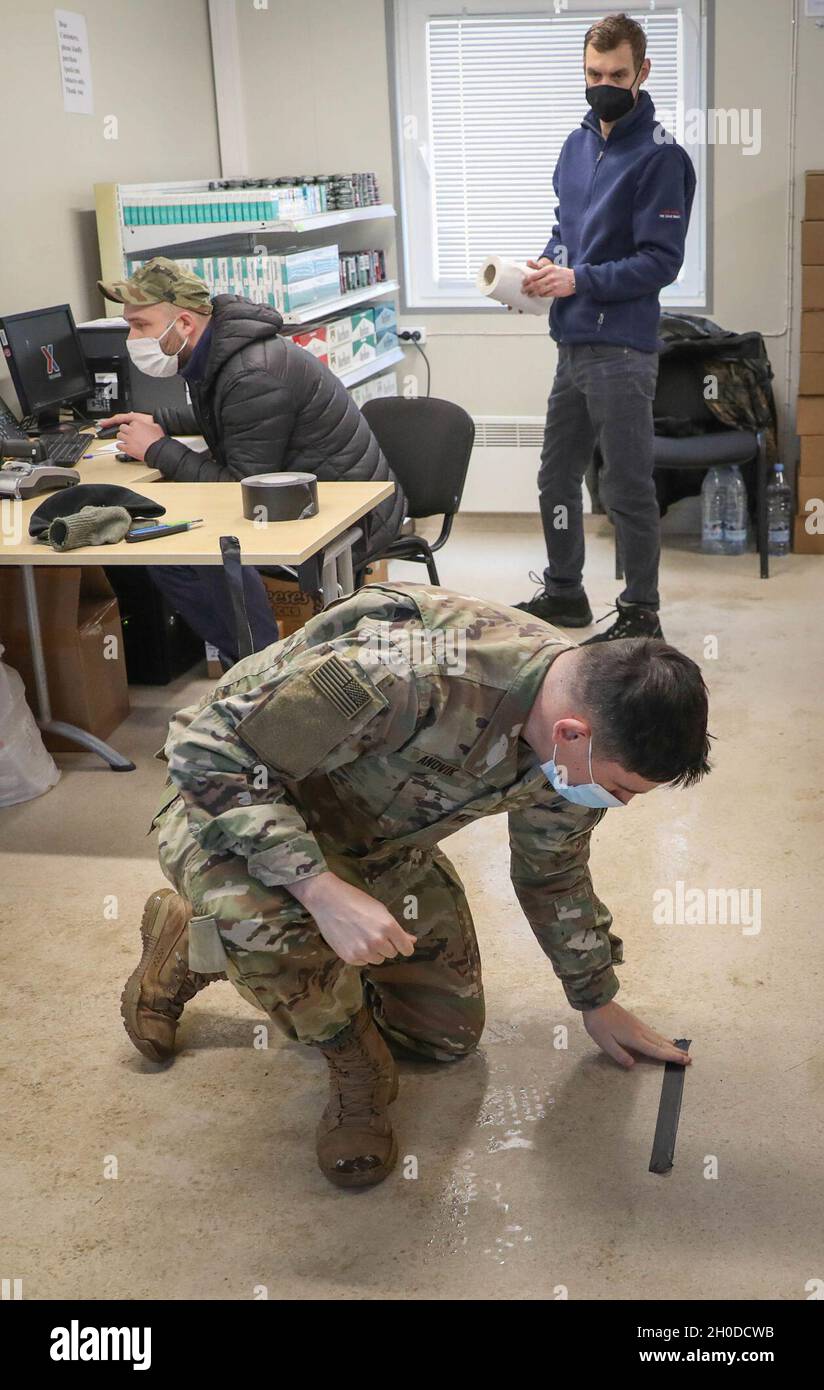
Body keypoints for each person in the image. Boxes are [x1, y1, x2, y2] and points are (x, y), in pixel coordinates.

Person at [121, 581, 711, 1189]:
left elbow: (552, 871)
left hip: (377, 839)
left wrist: (596, 1000)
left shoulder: (579, 746)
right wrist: (319, 889)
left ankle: (194, 945)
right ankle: (354, 1068)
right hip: (235, 809)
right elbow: (208, 751)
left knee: (442, 1037)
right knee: (271, 927)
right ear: (571, 732)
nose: (618, 802)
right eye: (623, 788)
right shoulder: (407, 671)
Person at [97, 257, 406, 667]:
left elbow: (239, 491)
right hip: (319, 495)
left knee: (183, 548)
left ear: (185, 323)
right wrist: (160, 423)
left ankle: (258, 664)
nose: (131, 338)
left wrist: (157, 449)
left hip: (345, 520)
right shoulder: (228, 350)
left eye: (141, 326)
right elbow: (231, 415)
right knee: (177, 539)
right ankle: (251, 659)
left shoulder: (251, 372)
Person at [515, 11, 696, 644]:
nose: (604, 83)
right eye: (594, 73)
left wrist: (580, 280)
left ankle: (641, 612)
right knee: (556, 475)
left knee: (625, 485)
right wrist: (546, 266)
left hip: (622, 347)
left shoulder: (661, 157)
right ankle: (565, 592)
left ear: (643, 71)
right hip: (571, 340)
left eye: (617, 74)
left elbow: (660, 261)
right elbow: (568, 231)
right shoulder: (576, 144)